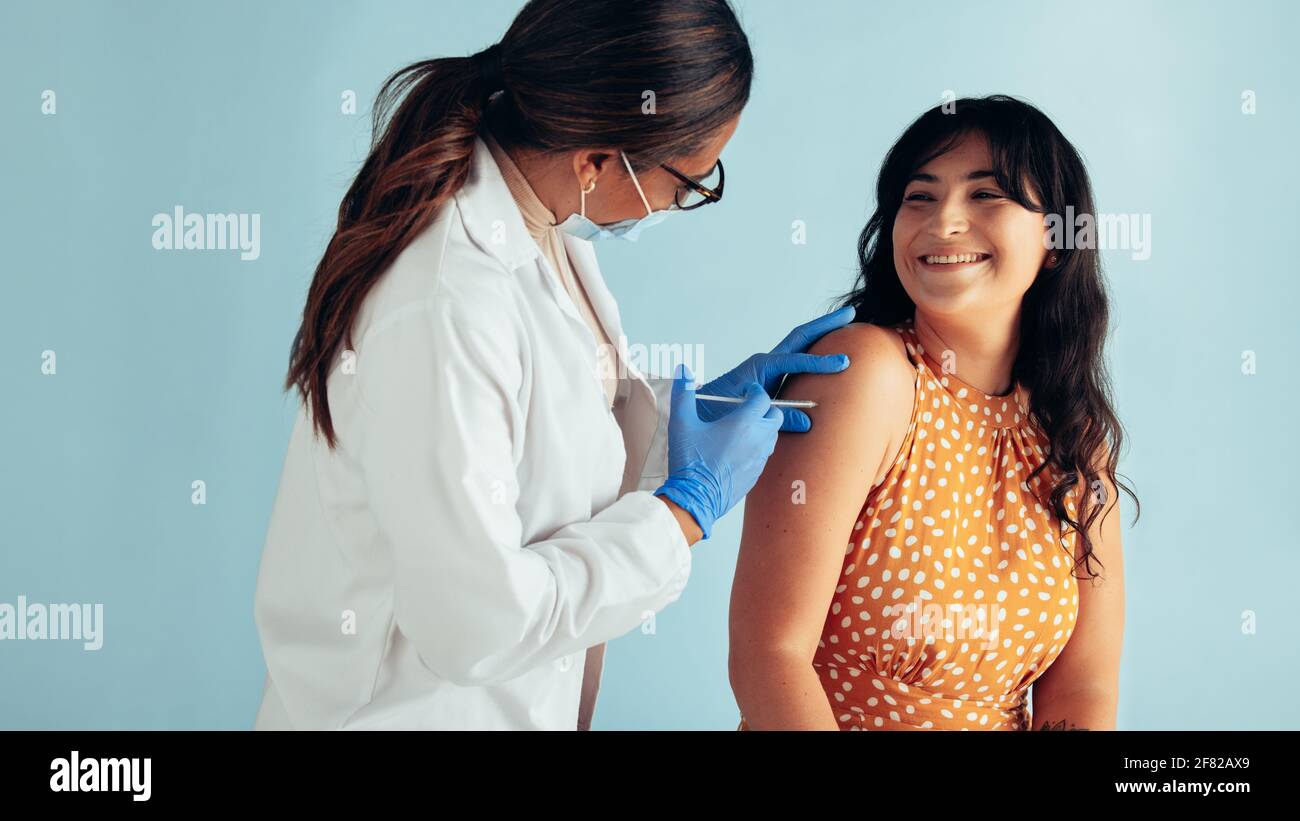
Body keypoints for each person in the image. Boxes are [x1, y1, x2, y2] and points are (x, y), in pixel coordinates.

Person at [252, 0, 853, 730]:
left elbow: (545, 429)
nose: (683, 200)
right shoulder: (445, 299)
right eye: (689, 181)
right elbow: (472, 624)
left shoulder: (544, 224)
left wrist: (680, 419)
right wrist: (680, 515)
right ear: (598, 162)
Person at [730, 96, 1137, 730]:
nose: (944, 221)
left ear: (1056, 242)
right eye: (919, 197)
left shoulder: (1074, 438)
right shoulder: (863, 373)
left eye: (987, 196)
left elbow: (1082, 694)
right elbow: (770, 655)